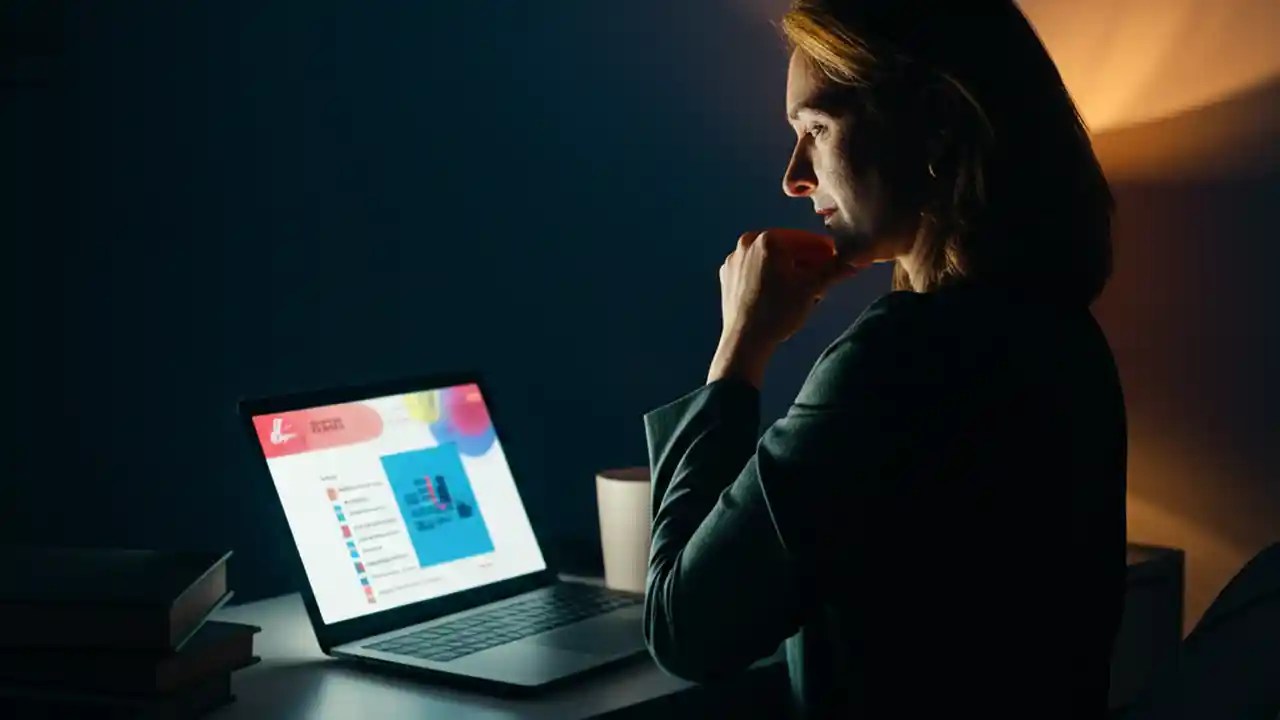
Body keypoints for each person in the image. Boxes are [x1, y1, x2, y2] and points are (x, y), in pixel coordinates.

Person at [641, 1, 1127, 717]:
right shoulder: (1061, 334)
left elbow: (686, 629)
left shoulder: (902, 360)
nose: (794, 177)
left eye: (817, 128)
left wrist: (739, 347)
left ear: (932, 119)